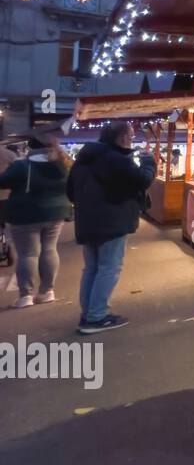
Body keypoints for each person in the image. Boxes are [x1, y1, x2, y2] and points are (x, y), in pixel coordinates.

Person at [66, 121, 156, 333]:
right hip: (111, 222)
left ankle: (88, 314)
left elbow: (70, 192)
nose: (132, 140)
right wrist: (149, 163)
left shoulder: (83, 160)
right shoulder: (116, 159)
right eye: (131, 136)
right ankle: (96, 318)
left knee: (92, 268)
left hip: (87, 222)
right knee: (108, 268)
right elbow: (142, 180)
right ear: (123, 138)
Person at [0, 132, 71, 308]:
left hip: (25, 215)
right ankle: (47, 292)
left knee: (28, 254)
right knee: (49, 249)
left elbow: (2, 181)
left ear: (29, 148)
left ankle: (26, 296)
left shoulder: (22, 165)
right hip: (56, 213)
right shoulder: (62, 164)